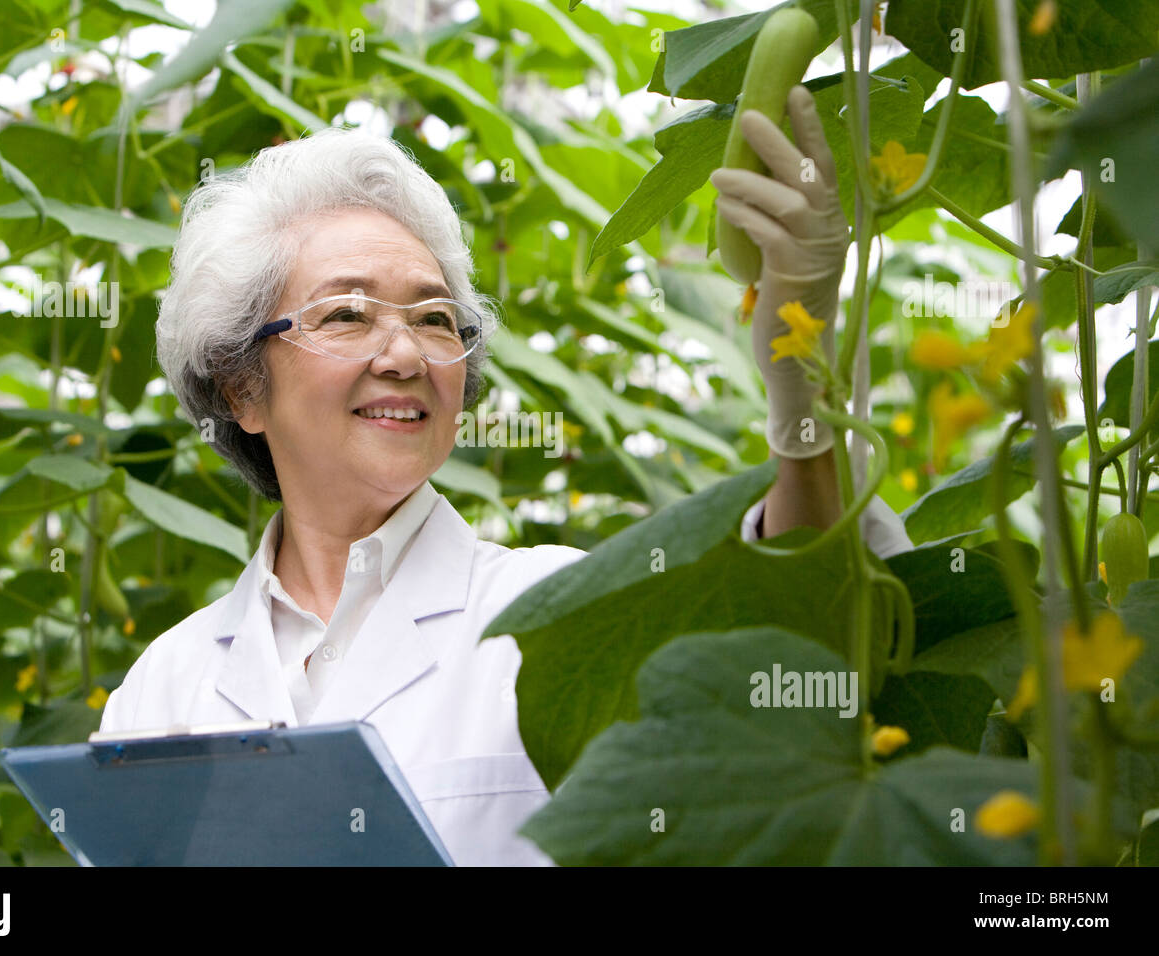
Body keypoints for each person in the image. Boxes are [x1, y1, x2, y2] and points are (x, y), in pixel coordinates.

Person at [100, 86, 913, 865]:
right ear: (241, 386)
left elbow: (804, 656)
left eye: (433, 317)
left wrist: (800, 376)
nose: (406, 354)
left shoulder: (565, 613)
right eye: (347, 313)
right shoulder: (164, 688)